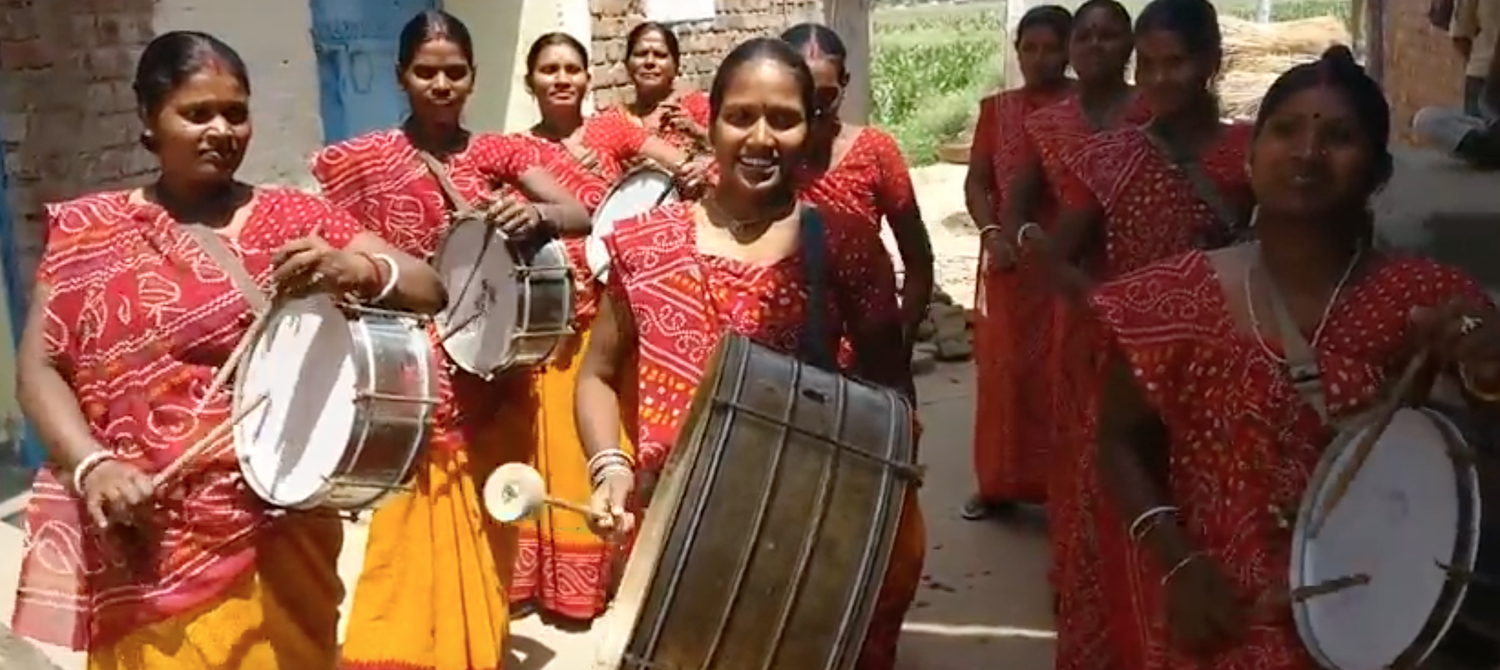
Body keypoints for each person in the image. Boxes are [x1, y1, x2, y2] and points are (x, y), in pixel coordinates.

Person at [10, 30, 443, 668]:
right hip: (146, 532)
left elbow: (429, 286)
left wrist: (356, 268)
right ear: (148, 120)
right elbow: (38, 368)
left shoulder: (293, 217)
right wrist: (94, 465)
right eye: (197, 113)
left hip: (279, 528)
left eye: (236, 113)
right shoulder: (91, 230)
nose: (221, 130)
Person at [1090, 43, 1500, 670]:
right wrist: (1177, 563)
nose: (1307, 153)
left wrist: (1486, 371)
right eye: (1284, 131)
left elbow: (1478, 452)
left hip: (1373, 625)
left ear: (1377, 172)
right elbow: (1119, 439)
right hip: (1217, 619)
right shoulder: (1171, 296)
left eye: (1339, 137)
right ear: (1251, 155)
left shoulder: (1424, 298)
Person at [573, 37, 924, 670]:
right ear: (709, 121)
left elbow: (892, 398)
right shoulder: (645, 243)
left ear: (811, 126)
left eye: (784, 119)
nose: (760, 138)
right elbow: (597, 374)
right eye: (740, 116)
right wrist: (611, 471)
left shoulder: (844, 245)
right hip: (674, 540)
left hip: (806, 540)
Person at [309, 11, 591, 670]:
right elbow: (336, 242)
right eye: (426, 72)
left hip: (495, 372)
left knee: (484, 530)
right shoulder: (359, 161)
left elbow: (584, 209)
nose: (441, 84)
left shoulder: (500, 154)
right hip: (410, 370)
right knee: (411, 524)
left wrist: (537, 214)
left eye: (455, 72)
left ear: (473, 78)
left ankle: (472, 649)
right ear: (401, 77)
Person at [503, 30, 706, 623]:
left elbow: (685, 172)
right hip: (546, 323)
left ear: (589, 79)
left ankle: (592, 587)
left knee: (601, 447)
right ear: (531, 81)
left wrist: (697, 148)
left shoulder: (613, 133)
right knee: (546, 451)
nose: (561, 78)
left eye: (572, 68)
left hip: (608, 319)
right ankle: (537, 583)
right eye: (549, 69)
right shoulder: (514, 151)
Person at [961, 4, 1074, 522]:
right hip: (1008, 266)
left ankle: (1064, 492)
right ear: (1017, 52)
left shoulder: (1084, 109)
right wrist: (991, 232)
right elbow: (978, 182)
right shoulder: (997, 110)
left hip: (1066, 265)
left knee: (1062, 376)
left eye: (1053, 48)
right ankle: (998, 485)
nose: (1041, 58)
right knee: (1005, 376)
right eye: (1031, 48)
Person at [781, 23, 936, 351]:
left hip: (868, 336)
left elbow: (918, 260)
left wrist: (899, 343)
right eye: (803, 96)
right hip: (784, 341)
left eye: (827, 96)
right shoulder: (765, 156)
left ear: (845, 84)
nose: (816, 110)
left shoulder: (876, 150)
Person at [595, 21, 711, 156]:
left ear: (676, 65)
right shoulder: (614, 121)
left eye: (660, 55)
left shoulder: (696, 109)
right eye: (641, 54)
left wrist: (698, 133)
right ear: (627, 65)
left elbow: (729, 157)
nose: (649, 62)